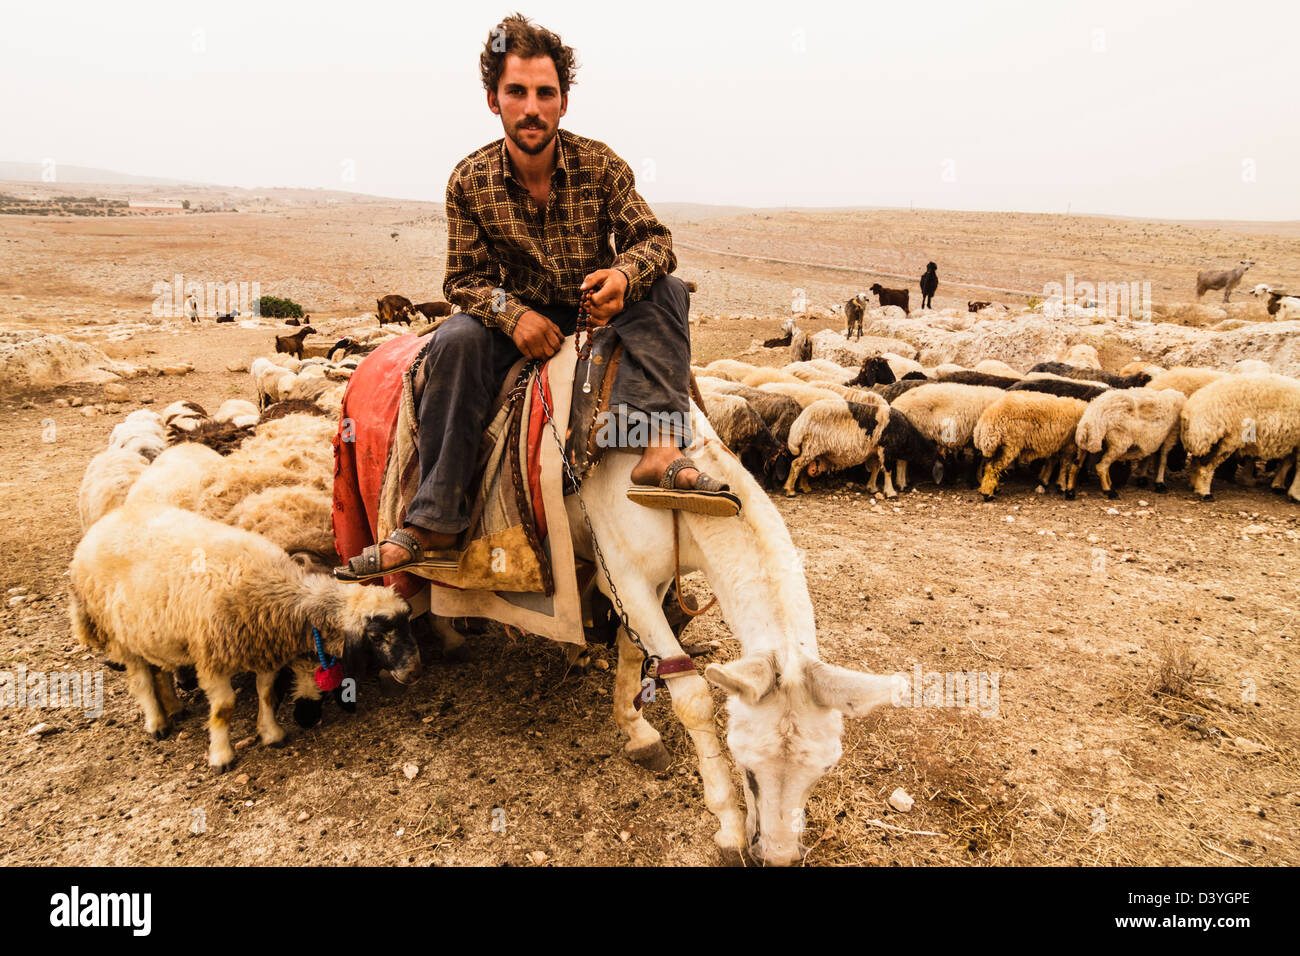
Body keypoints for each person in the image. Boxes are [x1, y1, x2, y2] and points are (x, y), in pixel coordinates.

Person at [338, 14, 737, 582]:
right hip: (510, 327)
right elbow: (462, 280)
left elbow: (655, 241)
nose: (531, 107)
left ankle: (660, 451)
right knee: (452, 340)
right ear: (493, 100)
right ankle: (435, 519)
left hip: (592, 313)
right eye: (516, 92)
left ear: (563, 102)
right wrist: (513, 314)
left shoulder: (601, 166)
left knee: (667, 289)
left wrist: (621, 277)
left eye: (544, 93)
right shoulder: (469, 181)